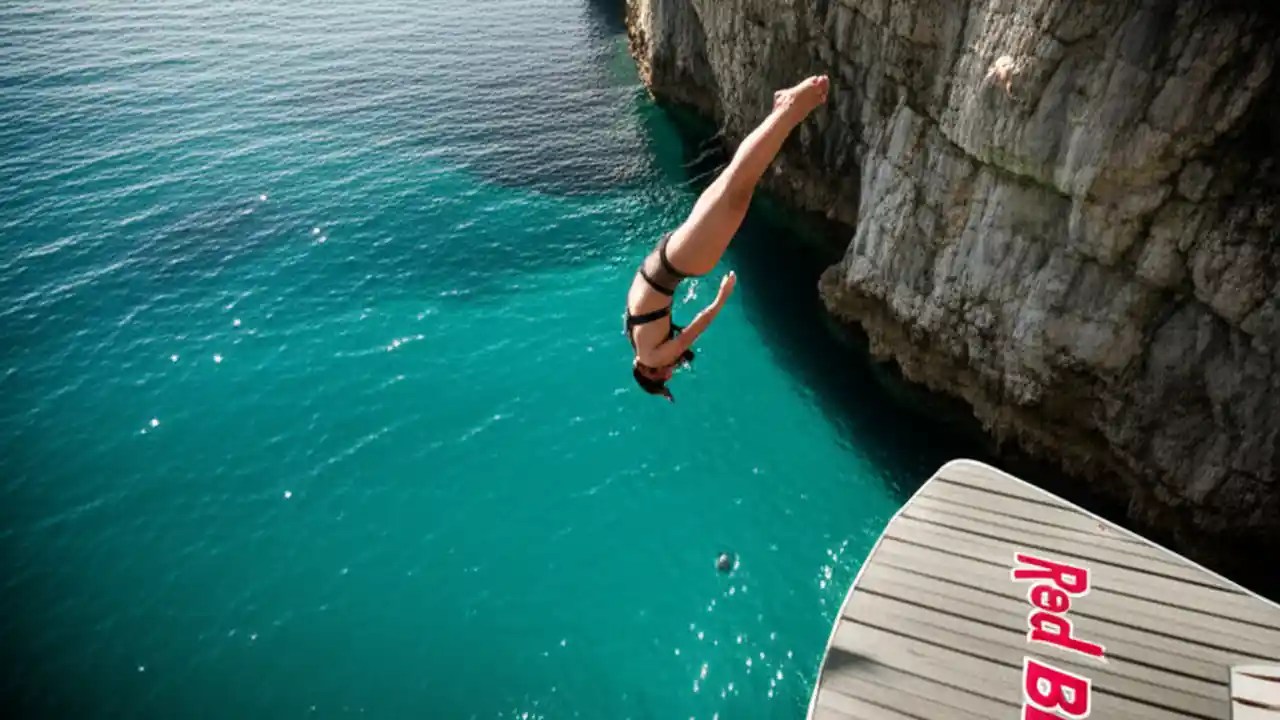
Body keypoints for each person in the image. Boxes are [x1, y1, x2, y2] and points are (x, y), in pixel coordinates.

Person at [623, 74, 830, 401]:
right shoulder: (633, 337)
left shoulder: (651, 357)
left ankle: (790, 110)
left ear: (653, 374)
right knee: (736, 182)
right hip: (668, 251)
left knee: (739, 185)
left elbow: (694, 331)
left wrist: (721, 297)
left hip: (682, 261)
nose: (670, 371)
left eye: (667, 377)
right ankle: (781, 111)